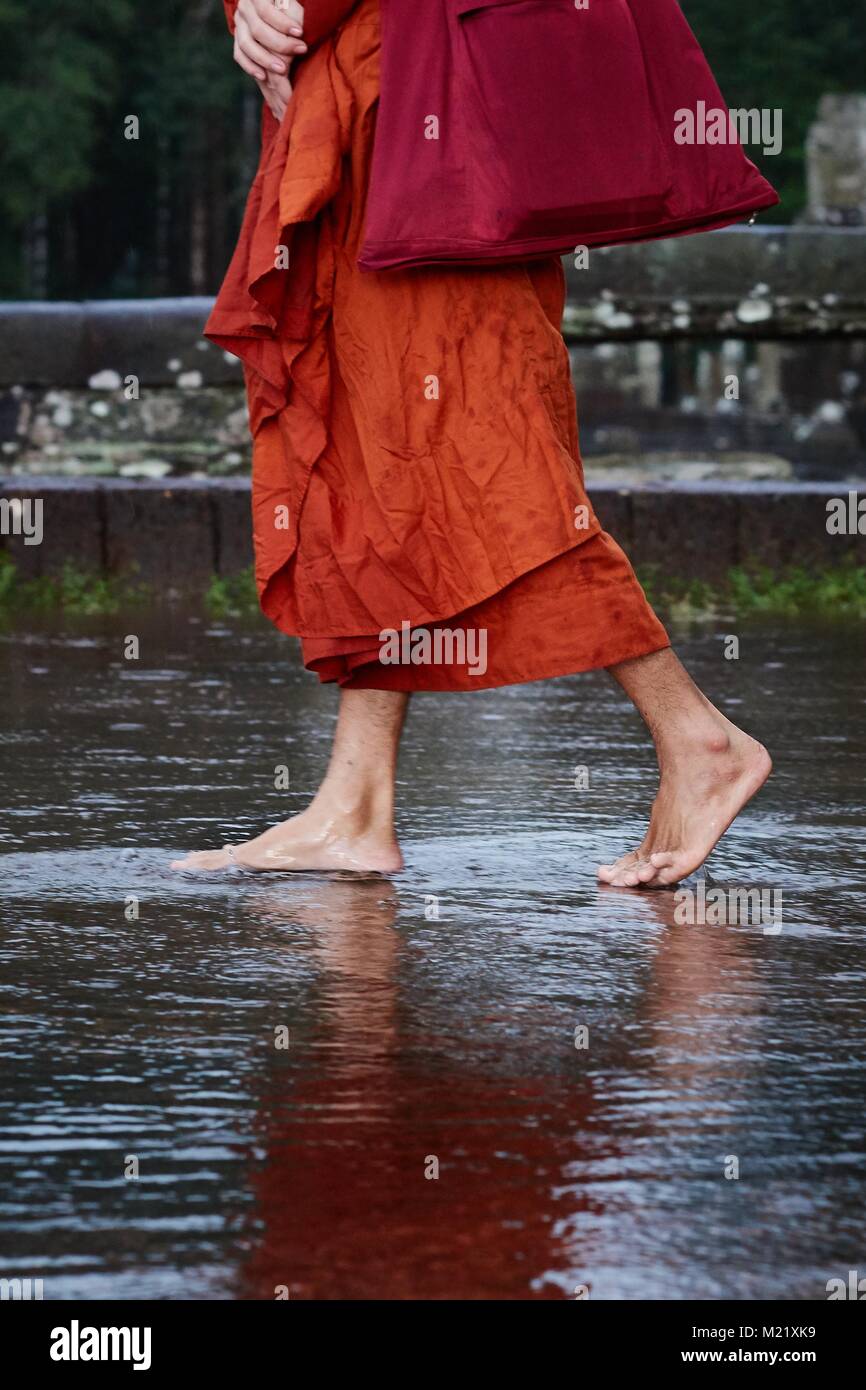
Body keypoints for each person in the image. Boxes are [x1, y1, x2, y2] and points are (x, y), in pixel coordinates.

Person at [172, 0, 771, 886]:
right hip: (367, 90)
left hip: (437, 107)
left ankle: (697, 735)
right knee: (366, 448)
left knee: (487, 451)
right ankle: (355, 803)